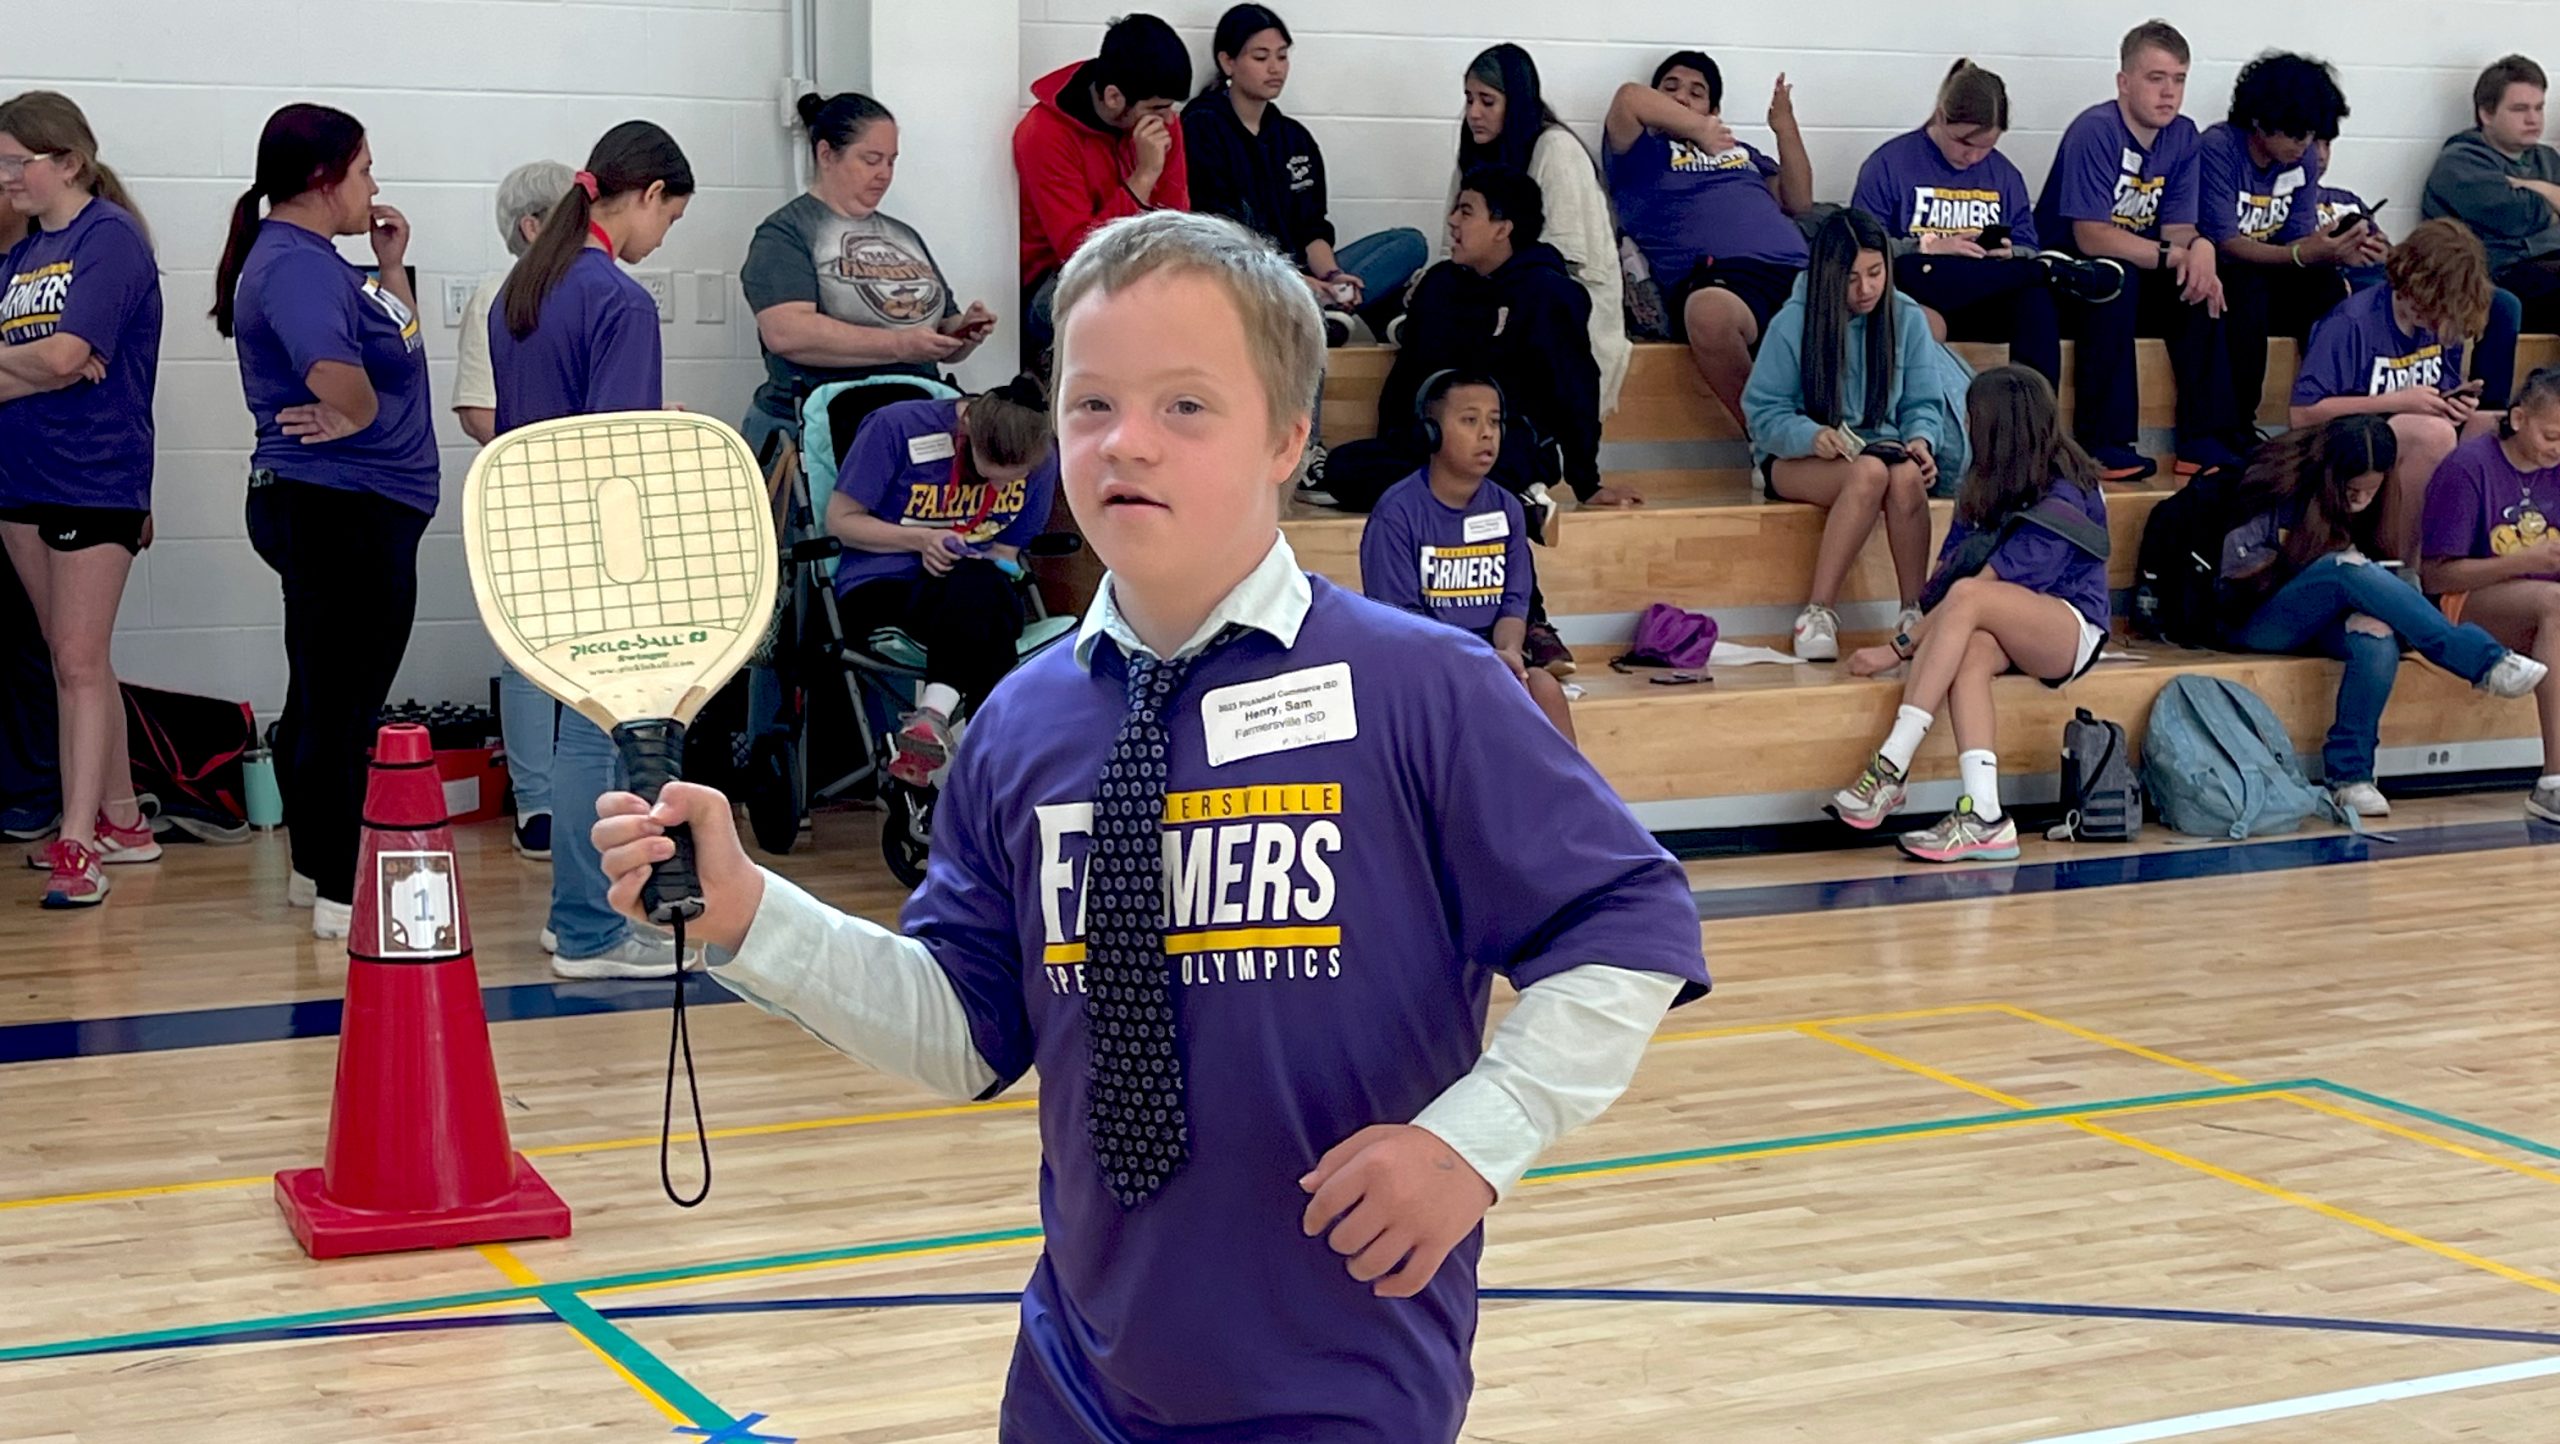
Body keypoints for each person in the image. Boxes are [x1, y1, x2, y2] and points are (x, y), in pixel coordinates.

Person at [591, 207, 1710, 1444]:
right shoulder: (1018, 728)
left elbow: (1631, 922)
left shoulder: (1425, 688)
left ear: (1288, 436)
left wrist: (1475, 1142)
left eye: (1186, 406)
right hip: (1077, 1377)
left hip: (1343, 1379)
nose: (1127, 441)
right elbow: (967, 1032)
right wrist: (754, 915)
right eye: (1091, 404)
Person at [214, 104, 438, 940]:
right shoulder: (299, 268)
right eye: (366, 168)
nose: (374, 186)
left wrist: (392, 268)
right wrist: (356, 412)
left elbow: (399, 350)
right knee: (344, 707)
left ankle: (317, 873)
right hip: (339, 507)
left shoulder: (329, 264)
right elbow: (344, 383)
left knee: (323, 694)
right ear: (322, 178)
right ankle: (344, 892)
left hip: (354, 506)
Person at [490, 121, 697, 979]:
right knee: (595, 741)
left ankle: (575, 919)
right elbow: (618, 457)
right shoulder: (618, 300)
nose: (662, 240)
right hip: (597, 542)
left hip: (531, 532)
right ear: (646, 195)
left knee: (575, 735)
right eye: (670, 220)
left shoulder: (523, 291)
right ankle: (588, 930)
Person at [1830, 366, 2112, 862]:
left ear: (2001, 425)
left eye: (1973, 416)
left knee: (1968, 598)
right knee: (1967, 655)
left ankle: (1891, 766)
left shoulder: (2070, 488)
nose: (1967, 424)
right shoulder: (1983, 479)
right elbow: (1951, 571)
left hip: (2069, 625)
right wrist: (1929, 621)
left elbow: (1987, 587)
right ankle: (1984, 814)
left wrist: (1898, 647)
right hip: (1996, 616)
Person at [1332, 164, 1593, 674]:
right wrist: (1409, 437)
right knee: (1345, 469)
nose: (1452, 221)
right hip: (1436, 441)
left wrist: (1589, 477)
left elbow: (1576, 387)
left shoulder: (1546, 291)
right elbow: (1407, 379)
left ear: (1503, 226)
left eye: (1466, 210)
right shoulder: (1441, 285)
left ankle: (1531, 623)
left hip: (1513, 440)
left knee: (1486, 471)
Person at [0, 91, 161, 908]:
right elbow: (56, 358)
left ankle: (77, 842)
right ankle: (125, 820)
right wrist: (46, 359)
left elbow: (67, 357)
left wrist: (44, 360)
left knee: (74, 661)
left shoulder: (110, 242)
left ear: (66, 160)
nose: (4, 179)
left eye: (13, 162)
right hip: (19, 478)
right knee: (80, 660)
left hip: (93, 477)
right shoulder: (24, 255)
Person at [2220, 418, 2545, 816]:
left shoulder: (2379, 502)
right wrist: (2316, 568)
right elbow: (2237, 576)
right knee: (2342, 568)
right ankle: (2483, 660)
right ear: (2330, 474)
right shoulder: (2276, 482)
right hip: (2257, 616)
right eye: (2351, 490)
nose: (2359, 500)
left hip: (2328, 615)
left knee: (2374, 633)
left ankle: (2351, 776)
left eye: (2369, 492)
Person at [1743, 208, 1959, 661]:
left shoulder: (1906, 317)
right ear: (1827, 276)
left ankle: (1912, 611)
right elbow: (1763, 413)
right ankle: (1817, 612)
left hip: (1881, 454)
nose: (1866, 290)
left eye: (1876, 273)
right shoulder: (1793, 322)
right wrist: (1810, 435)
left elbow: (1924, 403)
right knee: (1870, 475)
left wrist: (1921, 440)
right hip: (1796, 459)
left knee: (1902, 476)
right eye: (1851, 278)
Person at [826, 374, 1059, 784]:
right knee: (988, 606)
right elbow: (841, 522)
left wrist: (972, 552)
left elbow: (1004, 553)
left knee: (983, 584)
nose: (1003, 485)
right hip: (885, 583)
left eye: (1015, 478)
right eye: (992, 473)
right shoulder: (895, 427)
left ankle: (933, 718)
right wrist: (921, 539)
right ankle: (996, 766)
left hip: (971, 593)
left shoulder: (1040, 455)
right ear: (966, 431)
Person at [2033, 20, 2237, 482]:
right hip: (2070, 270)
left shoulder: (2183, 135)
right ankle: (2104, 443)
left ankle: (2202, 440)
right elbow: (2091, 235)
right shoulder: (2095, 130)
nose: (2169, 93)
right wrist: (2176, 255)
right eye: (2156, 78)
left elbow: (2179, 227)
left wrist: (2201, 249)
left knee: (2203, 287)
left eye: (2179, 79)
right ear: (2124, 82)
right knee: (2115, 281)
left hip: (2138, 264)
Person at [1854, 60, 2123, 391]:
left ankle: (2036, 422)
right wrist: (1928, 245)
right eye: (1965, 143)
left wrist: (2010, 252)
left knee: (2033, 296)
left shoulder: (2005, 175)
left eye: (1987, 147)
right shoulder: (1889, 164)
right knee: (1918, 267)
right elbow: (1861, 249)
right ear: (1940, 116)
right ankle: (2053, 272)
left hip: (1985, 294)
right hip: (1921, 290)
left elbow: (2028, 246)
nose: (1974, 158)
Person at [744, 92, 995, 438]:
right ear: (827, 154)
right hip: (829, 421)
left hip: (918, 412)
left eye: (891, 161)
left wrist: (963, 332)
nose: (884, 174)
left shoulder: (903, 235)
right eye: (871, 160)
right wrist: (899, 345)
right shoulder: (785, 233)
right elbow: (787, 332)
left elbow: (940, 329)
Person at [450, 157, 572, 862]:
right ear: (532, 226)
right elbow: (476, 410)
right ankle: (538, 802)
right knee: (528, 654)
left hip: (598, 494)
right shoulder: (496, 296)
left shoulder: (596, 291)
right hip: (525, 492)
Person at [1181, 5, 1425, 345]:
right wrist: (1296, 282)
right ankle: (1335, 311)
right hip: (1243, 278)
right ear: (1227, 62)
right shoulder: (1202, 126)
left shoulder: (1293, 137)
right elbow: (1222, 236)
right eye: (1261, 57)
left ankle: (1324, 306)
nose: (1275, 68)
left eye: (1282, 57)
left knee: (1409, 244)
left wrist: (1333, 275)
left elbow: (1311, 226)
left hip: (1301, 277)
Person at [1358, 371, 1574, 741]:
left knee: (1545, 689)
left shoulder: (1505, 506)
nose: (1487, 433)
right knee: (1494, 703)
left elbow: (1513, 602)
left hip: (1490, 659)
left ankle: (1573, 800)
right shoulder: (1396, 513)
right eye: (1470, 420)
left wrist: (1507, 652)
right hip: (1425, 664)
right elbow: (1399, 622)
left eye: (1494, 421)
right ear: (1432, 432)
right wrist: (1479, 663)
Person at [1606, 48, 1810, 434]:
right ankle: (1770, 439)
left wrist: (1785, 128)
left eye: (1696, 92)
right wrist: (1698, 128)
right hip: (1722, 278)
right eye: (1670, 88)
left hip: (1797, 269)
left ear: (1713, 109)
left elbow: (1797, 201)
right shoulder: (1639, 153)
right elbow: (1628, 98)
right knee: (1709, 316)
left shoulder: (1742, 154)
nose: (1681, 96)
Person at [2288, 218, 2499, 559]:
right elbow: (2302, 414)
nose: (2434, 324)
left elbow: (2436, 389)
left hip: (2402, 442)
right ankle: (2403, 566)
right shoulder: (2352, 322)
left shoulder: (2443, 322)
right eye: (2431, 312)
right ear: (2413, 287)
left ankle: (2458, 558)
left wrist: (2453, 402)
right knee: (2432, 434)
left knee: (2492, 428)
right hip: (2340, 447)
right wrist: (2394, 401)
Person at [2201, 52, 2380, 438]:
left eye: (2313, 135)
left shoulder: (2304, 161)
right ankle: (2236, 427)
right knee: (2245, 289)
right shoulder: (2218, 148)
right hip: (2223, 271)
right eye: (2296, 135)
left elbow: (2298, 237)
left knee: (2326, 286)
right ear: (2260, 123)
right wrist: (2302, 253)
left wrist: (2335, 250)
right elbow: (2226, 242)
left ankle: (2332, 411)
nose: (2306, 147)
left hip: (2274, 268)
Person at [1460, 44, 1631, 431]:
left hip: (1563, 298)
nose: (1473, 113)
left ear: (1516, 101)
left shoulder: (1556, 148)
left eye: (1487, 101)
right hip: (1495, 286)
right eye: (1469, 99)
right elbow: (1453, 243)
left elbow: (1559, 259)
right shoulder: (1475, 151)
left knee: (1534, 298)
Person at [2421, 365, 2560, 823]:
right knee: (2553, 605)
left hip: (2542, 603)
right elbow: (2436, 578)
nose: (2557, 449)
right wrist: (2524, 563)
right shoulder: (2469, 467)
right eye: (2551, 435)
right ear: (2519, 419)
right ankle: (2553, 782)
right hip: (2467, 601)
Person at [1014, 12, 1192, 365]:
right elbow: (1080, 252)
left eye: (1172, 108)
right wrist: (1143, 176)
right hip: (1056, 282)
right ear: (1113, 97)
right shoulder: (1044, 133)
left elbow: (1179, 224)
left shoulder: (1161, 123)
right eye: (1158, 108)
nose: (1170, 120)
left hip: (1145, 265)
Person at [2422, 56, 2560, 334]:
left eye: (2539, 108)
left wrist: (2542, 189)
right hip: (2495, 279)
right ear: (2486, 114)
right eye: (2520, 109)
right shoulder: (2460, 162)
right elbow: (2518, 216)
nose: (2533, 118)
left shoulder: (2547, 159)